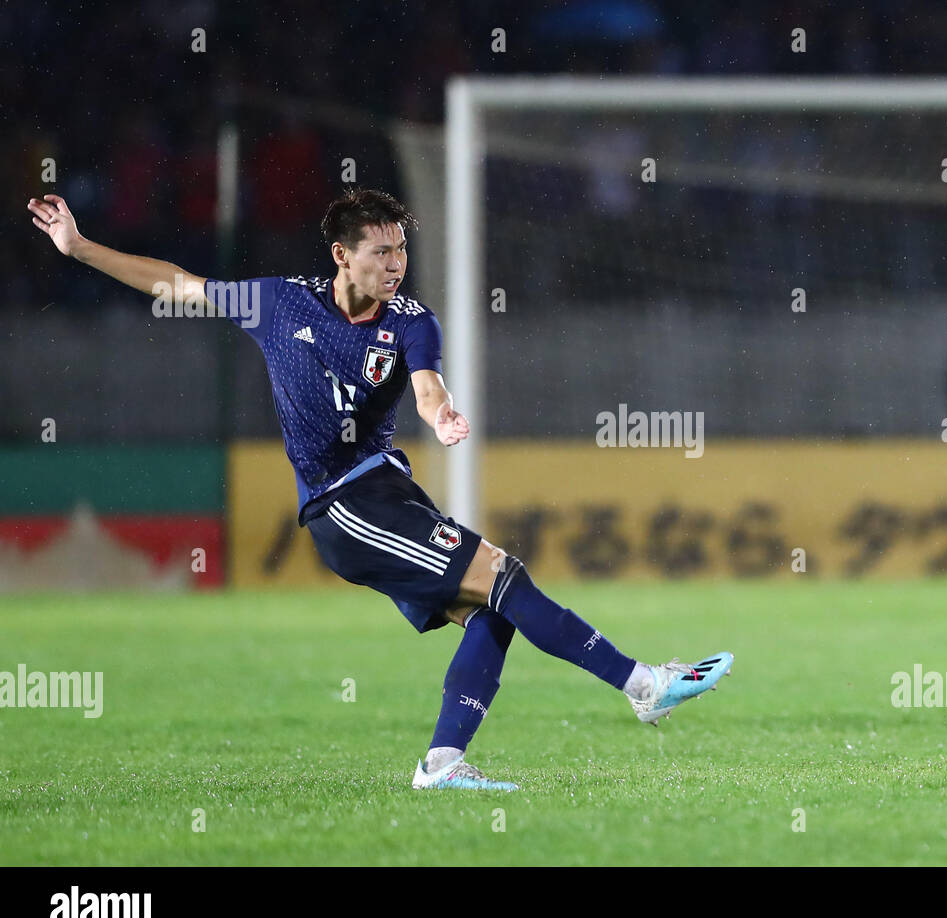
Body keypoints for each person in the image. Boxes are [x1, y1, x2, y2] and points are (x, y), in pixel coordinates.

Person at [27, 187, 732, 791]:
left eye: (400, 251)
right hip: (343, 507)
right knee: (502, 575)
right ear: (342, 255)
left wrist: (442, 411)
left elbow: (426, 385)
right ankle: (643, 685)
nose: (394, 265)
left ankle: (444, 764)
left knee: (495, 611)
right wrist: (80, 247)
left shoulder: (411, 322)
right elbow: (176, 283)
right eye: (379, 252)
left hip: (391, 495)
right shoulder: (279, 305)